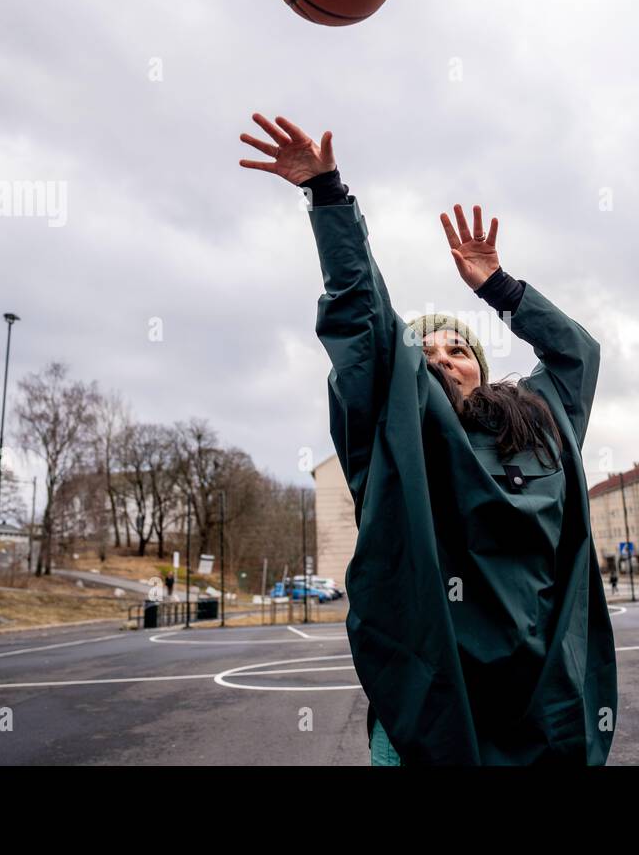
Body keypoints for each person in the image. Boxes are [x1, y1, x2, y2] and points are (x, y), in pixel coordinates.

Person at [239, 114, 618, 765]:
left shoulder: (540, 421)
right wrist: (329, 196)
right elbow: (363, 323)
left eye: (458, 346)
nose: (443, 356)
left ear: (481, 363)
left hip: (541, 694)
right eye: (425, 348)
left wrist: (501, 290)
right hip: (438, 695)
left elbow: (575, 354)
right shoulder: (395, 437)